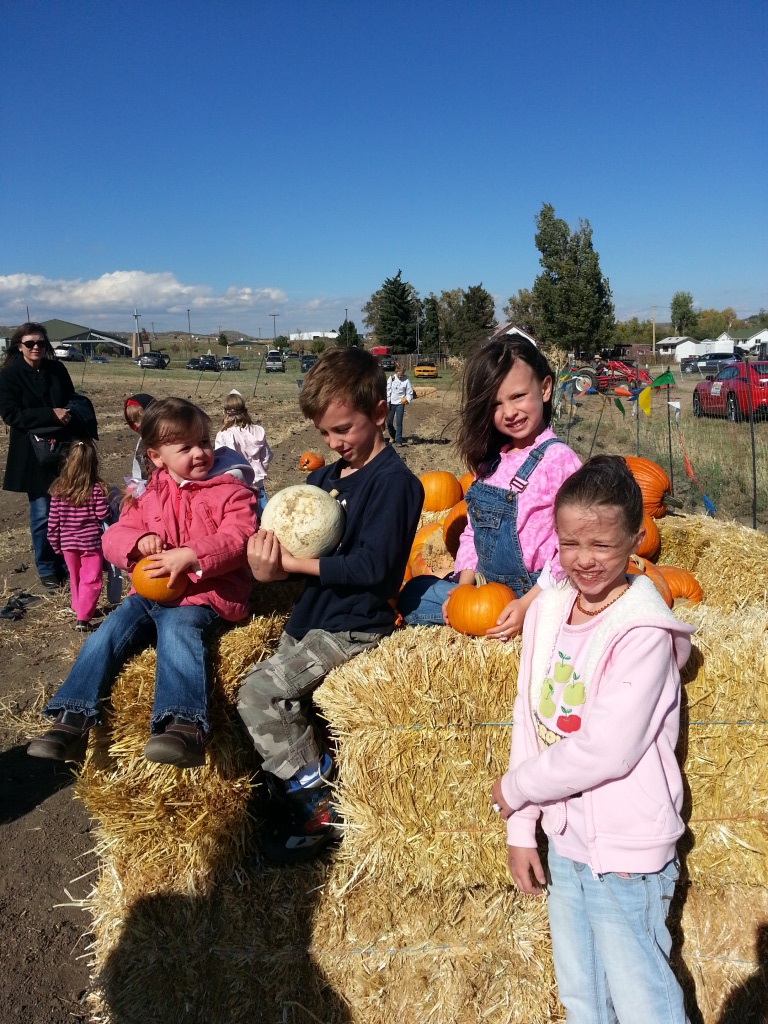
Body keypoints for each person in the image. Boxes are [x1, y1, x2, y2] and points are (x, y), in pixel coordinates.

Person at [492, 456, 694, 1024]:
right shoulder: (550, 610)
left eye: (602, 546)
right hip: (568, 842)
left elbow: (607, 747)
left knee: (642, 1004)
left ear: (636, 539)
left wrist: (515, 787)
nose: (583, 559)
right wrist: (521, 826)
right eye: (569, 542)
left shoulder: (643, 631)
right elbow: (528, 719)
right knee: (583, 998)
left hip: (627, 853)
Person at [237, 347, 423, 863]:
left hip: (354, 627)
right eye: (324, 433)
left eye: (343, 429)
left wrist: (293, 567)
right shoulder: (321, 481)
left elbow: (374, 570)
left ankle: (320, 811)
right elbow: (288, 546)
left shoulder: (395, 484)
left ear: (380, 413)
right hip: (312, 620)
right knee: (267, 697)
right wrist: (265, 566)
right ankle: (287, 796)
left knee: (261, 695)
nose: (334, 442)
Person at [27, 398, 258, 769]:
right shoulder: (147, 495)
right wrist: (135, 544)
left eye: (204, 442)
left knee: (178, 633)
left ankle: (183, 726)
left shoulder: (231, 491)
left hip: (204, 595)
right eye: (185, 448)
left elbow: (240, 536)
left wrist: (192, 555)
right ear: (156, 457)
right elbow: (113, 537)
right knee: (107, 633)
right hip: (148, 595)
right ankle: (72, 719)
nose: (199, 453)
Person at [398, 337, 581, 638]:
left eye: (518, 396)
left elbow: (571, 548)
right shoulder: (492, 463)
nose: (509, 412)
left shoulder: (560, 462)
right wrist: (464, 587)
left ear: (545, 389)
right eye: (496, 403)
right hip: (489, 590)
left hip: (540, 592)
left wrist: (527, 604)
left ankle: (513, 624)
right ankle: (477, 619)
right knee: (414, 593)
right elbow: (473, 532)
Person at [0, 323, 79, 588]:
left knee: (68, 510)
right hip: (33, 455)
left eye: (41, 344)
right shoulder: (10, 375)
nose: (36, 348)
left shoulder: (56, 369)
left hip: (63, 450)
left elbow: (70, 398)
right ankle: (46, 567)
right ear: (19, 346)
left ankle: (67, 561)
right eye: (30, 343)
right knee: (42, 513)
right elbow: (11, 415)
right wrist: (50, 414)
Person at [47, 440, 111, 632]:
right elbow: (102, 514)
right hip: (90, 543)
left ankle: (78, 608)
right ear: (92, 465)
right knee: (91, 579)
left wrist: (56, 544)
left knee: (74, 577)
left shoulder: (58, 490)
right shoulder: (96, 489)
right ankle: (83, 618)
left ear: (67, 462)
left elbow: (52, 523)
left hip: (68, 544)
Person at [215, 389, 272, 516]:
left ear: (225, 412)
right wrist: (260, 469)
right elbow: (267, 455)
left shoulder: (224, 435)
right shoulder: (257, 431)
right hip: (258, 483)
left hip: (237, 485)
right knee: (264, 518)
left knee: (244, 519)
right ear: (244, 410)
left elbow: (221, 463)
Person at [123, 393, 156, 489]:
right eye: (133, 421)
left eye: (139, 420)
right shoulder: (142, 439)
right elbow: (137, 467)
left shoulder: (159, 439)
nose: (137, 425)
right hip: (143, 486)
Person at [385, 363, 414, 447]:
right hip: (391, 403)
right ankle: (393, 435)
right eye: (399, 375)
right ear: (396, 372)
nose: (401, 377)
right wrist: (388, 402)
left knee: (399, 422)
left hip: (400, 404)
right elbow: (388, 391)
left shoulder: (406, 380)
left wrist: (407, 399)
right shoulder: (391, 378)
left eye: (402, 375)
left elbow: (410, 392)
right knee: (389, 422)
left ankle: (398, 440)